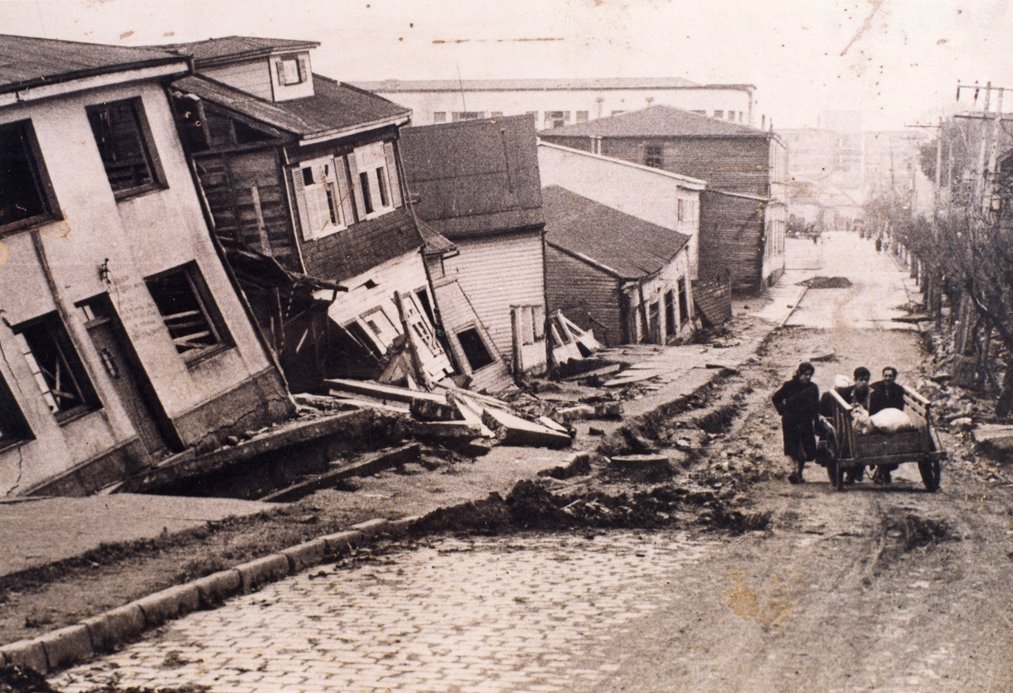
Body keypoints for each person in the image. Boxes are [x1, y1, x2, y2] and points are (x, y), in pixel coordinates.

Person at [772, 362, 820, 484]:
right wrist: (783, 410)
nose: (808, 377)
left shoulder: (813, 388)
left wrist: (815, 420)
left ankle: (799, 473)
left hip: (805, 421)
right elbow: (776, 398)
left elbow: (815, 405)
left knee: (804, 449)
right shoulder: (789, 386)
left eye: (810, 375)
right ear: (799, 374)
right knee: (792, 447)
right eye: (805, 374)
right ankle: (793, 471)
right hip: (790, 421)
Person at [869, 366, 906, 484]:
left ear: (894, 377)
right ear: (882, 376)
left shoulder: (899, 390)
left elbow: (900, 408)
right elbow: (871, 409)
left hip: (892, 422)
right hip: (878, 421)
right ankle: (882, 470)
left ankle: (884, 470)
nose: (888, 379)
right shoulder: (874, 388)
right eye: (885, 376)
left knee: (894, 446)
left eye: (890, 376)